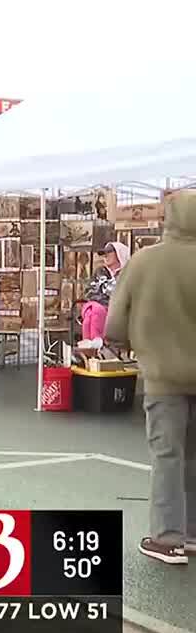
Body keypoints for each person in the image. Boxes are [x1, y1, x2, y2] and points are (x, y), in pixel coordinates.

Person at [105, 191, 196, 566]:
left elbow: (114, 323)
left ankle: (167, 538)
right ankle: (192, 532)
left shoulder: (143, 262)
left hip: (163, 379)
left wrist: (125, 343)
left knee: (168, 455)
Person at [82, 241, 131, 342]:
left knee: (92, 313)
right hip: (99, 305)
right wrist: (105, 301)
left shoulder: (127, 273)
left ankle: (91, 344)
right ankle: (96, 341)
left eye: (109, 252)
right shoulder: (100, 272)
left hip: (118, 310)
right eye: (104, 253)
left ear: (119, 253)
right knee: (94, 309)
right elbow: (89, 292)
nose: (105, 256)